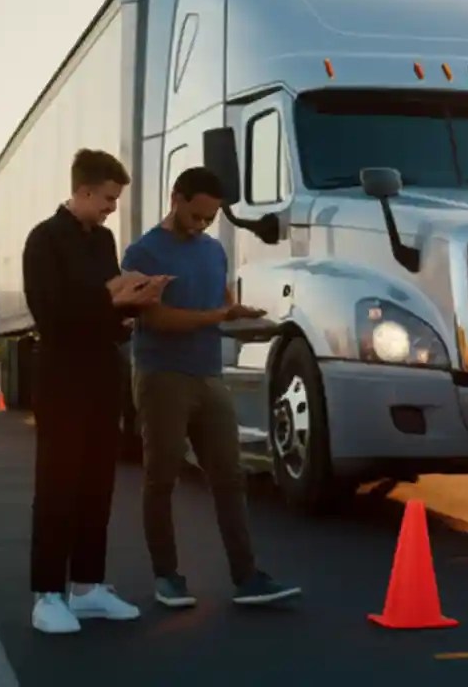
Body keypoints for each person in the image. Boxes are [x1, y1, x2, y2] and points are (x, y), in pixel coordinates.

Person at [122, 166, 302, 607]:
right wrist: (217, 318)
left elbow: (218, 301)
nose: (203, 225)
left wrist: (241, 315)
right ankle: (167, 577)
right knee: (161, 478)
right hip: (162, 376)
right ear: (176, 199)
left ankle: (247, 578)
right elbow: (158, 319)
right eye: (197, 216)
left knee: (229, 477)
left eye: (210, 218)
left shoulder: (213, 250)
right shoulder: (142, 253)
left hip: (209, 376)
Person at [22, 148, 172, 635]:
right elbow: (51, 313)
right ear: (84, 190)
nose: (112, 207)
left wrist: (136, 301)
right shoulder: (43, 240)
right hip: (62, 375)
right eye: (108, 198)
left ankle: (87, 587)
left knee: (97, 485)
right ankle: (47, 595)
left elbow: (106, 313)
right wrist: (110, 298)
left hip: (102, 373)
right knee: (57, 485)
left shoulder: (104, 240)